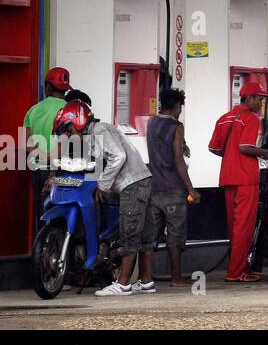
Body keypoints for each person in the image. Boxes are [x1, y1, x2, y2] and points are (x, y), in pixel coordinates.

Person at [48, 93, 155, 298]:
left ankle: (122, 285)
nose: (69, 136)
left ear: (78, 121)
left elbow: (118, 156)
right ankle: (147, 281)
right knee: (142, 236)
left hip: (132, 184)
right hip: (139, 181)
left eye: (69, 130)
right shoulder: (93, 137)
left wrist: (103, 185)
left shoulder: (100, 130)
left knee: (129, 233)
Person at [215, 80, 268, 283]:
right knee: (244, 227)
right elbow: (245, 147)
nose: (261, 103)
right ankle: (236, 272)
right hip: (245, 178)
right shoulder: (251, 118)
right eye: (259, 99)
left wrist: (231, 156)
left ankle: (240, 268)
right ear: (249, 98)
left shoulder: (224, 118)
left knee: (234, 227)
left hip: (227, 177)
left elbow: (214, 148)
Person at [145, 87, 199, 288]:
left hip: (154, 187)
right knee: (175, 236)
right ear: (177, 106)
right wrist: (191, 189)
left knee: (149, 237)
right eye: (180, 107)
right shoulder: (176, 126)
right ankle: (176, 278)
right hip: (174, 189)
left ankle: (146, 278)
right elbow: (178, 159)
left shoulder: (151, 123)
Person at [24, 67, 72, 226]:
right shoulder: (70, 111)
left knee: (42, 215)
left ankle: (42, 241)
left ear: (48, 87)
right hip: (61, 170)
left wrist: (43, 156)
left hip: (38, 169)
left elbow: (28, 146)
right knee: (63, 218)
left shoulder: (32, 111)